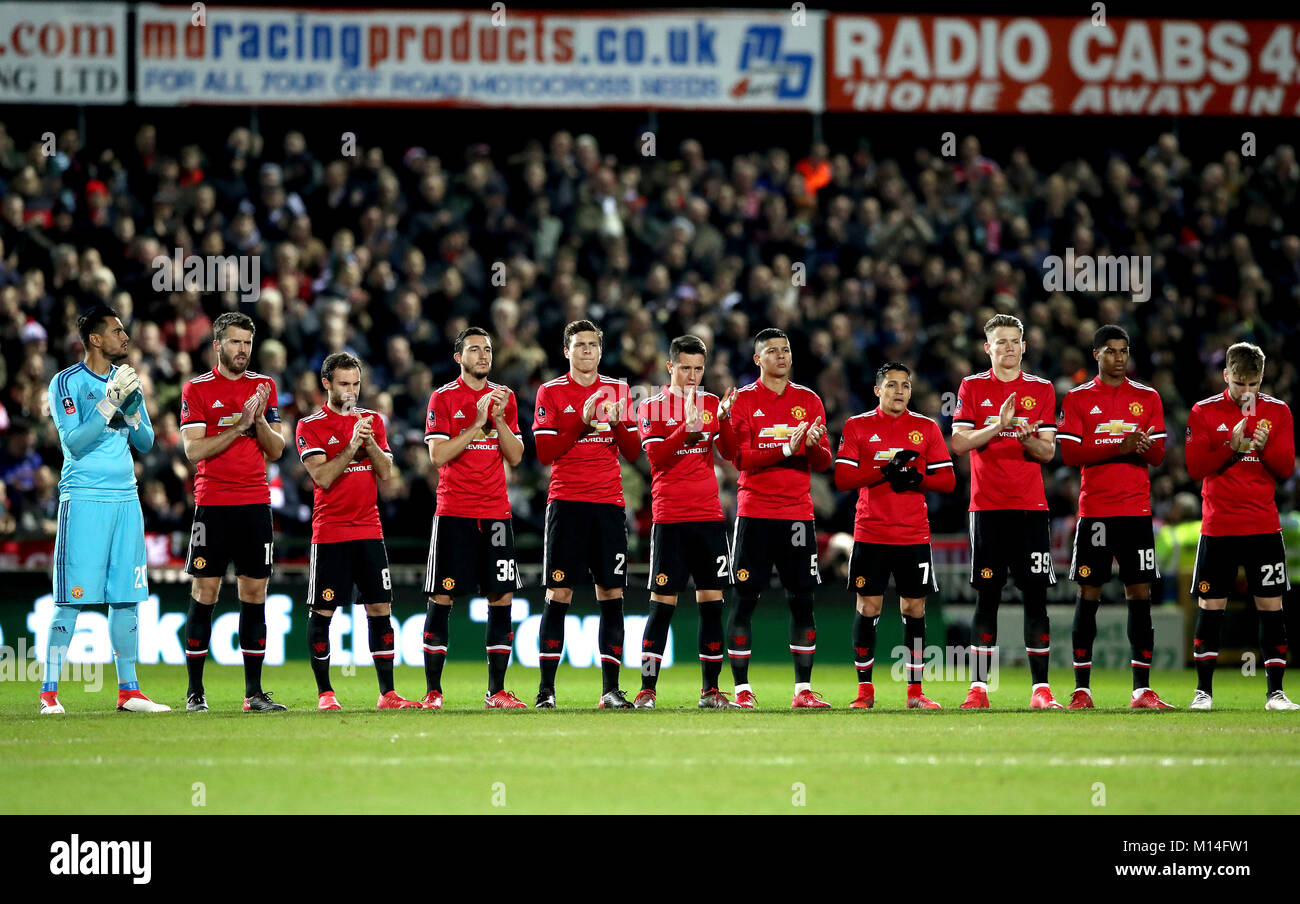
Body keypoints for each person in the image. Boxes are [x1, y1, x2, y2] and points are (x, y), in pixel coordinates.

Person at [41, 304, 168, 714]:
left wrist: (130, 409)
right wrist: (107, 405)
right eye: (116, 331)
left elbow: (147, 442)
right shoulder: (66, 382)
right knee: (71, 599)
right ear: (95, 339)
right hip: (84, 499)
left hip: (125, 500)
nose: (124, 337)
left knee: (126, 597)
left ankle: (129, 692)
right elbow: (75, 443)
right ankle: (49, 694)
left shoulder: (126, 380)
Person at [296, 352, 421, 710]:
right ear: (327, 385)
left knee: (380, 608)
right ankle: (326, 693)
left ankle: (387, 693)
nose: (351, 391)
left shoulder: (372, 422)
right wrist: (352, 444)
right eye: (344, 384)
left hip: (369, 529)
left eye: (356, 384)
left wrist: (367, 442)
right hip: (331, 532)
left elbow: (385, 472)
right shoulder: (311, 425)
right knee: (323, 611)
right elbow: (322, 476)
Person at [1058, 325, 1173, 709]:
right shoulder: (1077, 399)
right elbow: (1070, 455)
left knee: (1140, 596)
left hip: (1136, 512)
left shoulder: (1148, 397)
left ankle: (1141, 689)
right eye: (1110, 351)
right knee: (1088, 595)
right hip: (1096, 514)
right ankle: (1081, 689)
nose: (1119, 357)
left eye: (1124, 350)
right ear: (1096, 355)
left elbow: (1158, 456)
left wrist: (1139, 448)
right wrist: (1119, 447)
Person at [951, 314, 1062, 709]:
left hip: (1030, 508)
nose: (1009, 347)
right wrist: (999, 427)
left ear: (1024, 346)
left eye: (1015, 341)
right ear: (988, 348)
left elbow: (1048, 451)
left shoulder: (1042, 389)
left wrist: (1028, 437)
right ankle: (978, 689)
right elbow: (960, 444)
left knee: (1035, 596)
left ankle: (1041, 690)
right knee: (988, 596)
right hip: (987, 509)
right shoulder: (973, 386)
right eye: (1001, 342)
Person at [720, 327, 834, 708]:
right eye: (772, 351)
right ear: (758, 359)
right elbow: (741, 459)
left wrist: (812, 446)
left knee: (802, 600)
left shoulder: (809, 399)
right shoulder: (744, 401)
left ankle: (803, 690)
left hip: (798, 514)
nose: (781, 356)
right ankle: (742, 690)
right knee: (744, 599)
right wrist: (788, 446)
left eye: (785, 350)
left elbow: (824, 462)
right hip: (755, 512)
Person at [179, 312, 286, 713]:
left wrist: (257, 421)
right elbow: (193, 450)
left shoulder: (264, 386)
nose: (242, 350)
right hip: (213, 504)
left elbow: (276, 450)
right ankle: (194, 692)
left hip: (255, 503)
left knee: (254, 592)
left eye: (247, 343)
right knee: (205, 590)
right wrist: (238, 424)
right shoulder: (197, 389)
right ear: (218, 345)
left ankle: (254, 693)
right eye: (235, 342)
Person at [532, 320, 641, 708]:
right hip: (566, 503)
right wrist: (582, 418)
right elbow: (546, 453)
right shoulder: (551, 391)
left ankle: (610, 690)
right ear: (567, 351)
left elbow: (633, 452)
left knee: (611, 592)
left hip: (609, 505)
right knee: (558, 591)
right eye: (580, 345)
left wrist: (614, 421)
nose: (587, 351)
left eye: (593, 345)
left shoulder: (619, 391)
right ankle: (546, 691)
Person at [834, 362, 954, 709]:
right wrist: (884, 472)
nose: (899, 391)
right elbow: (842, 478)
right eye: (891, 385)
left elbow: (948, 481)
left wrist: (917, 479)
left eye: (905, 385)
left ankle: (915, 693)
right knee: (868, 606)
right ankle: (864, 692)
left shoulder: (926, 428)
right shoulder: (857, 426)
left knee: (914, 607)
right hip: (871, 531)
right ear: (877, 391)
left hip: (913, 534)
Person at [1184, 342, 1296, 711]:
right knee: (1211, 604)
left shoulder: (1278, 412)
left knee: (1270, 605)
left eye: (1254, 383)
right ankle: (1203, 692)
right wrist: (1230, 448)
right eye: (1241, 383)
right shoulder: (1204, 411)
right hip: (1219, 526)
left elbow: (1284, 469)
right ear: (1226, 375)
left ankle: (1275, 693)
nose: (1247, 391)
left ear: (1262, 378)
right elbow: (1194, 468)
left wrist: (1264, 448)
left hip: (1263, 524)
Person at [422, 327, 526, 710]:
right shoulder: (443, 398)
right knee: (441, 596)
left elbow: (515, 456)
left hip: (496, 512)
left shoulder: (506, 398)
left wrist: (497, 421)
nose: (483, 355)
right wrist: (477, 423)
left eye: (487, 349)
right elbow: (438, 455)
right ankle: (433, 692)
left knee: (502, 597)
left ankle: (496, 692)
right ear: (458, 357)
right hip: (455, 512)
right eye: (474, 350)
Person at [634, 335, 738, 709]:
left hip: (709, 517)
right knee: (662, 604)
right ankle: (647, 689)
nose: (692, 376)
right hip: (670, 517)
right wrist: (687, 430)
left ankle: (710, 690)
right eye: (685, 368)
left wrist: (723, 420)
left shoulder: (712, 403)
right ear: (670, 367)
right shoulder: (652, 407)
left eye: (698, 369)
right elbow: (657, 460)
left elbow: (729, 452)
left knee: (712, 603)